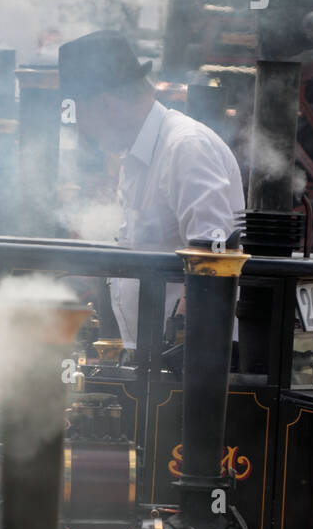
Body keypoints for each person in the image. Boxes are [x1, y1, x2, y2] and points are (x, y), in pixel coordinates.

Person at [59, 29, 245, 351]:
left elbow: (215, 259)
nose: (81, 129)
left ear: (106, 105)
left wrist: (180, 342)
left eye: (80, 115)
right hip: (155, 358)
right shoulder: (136, 156)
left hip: (189, 362)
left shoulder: (185, 147)